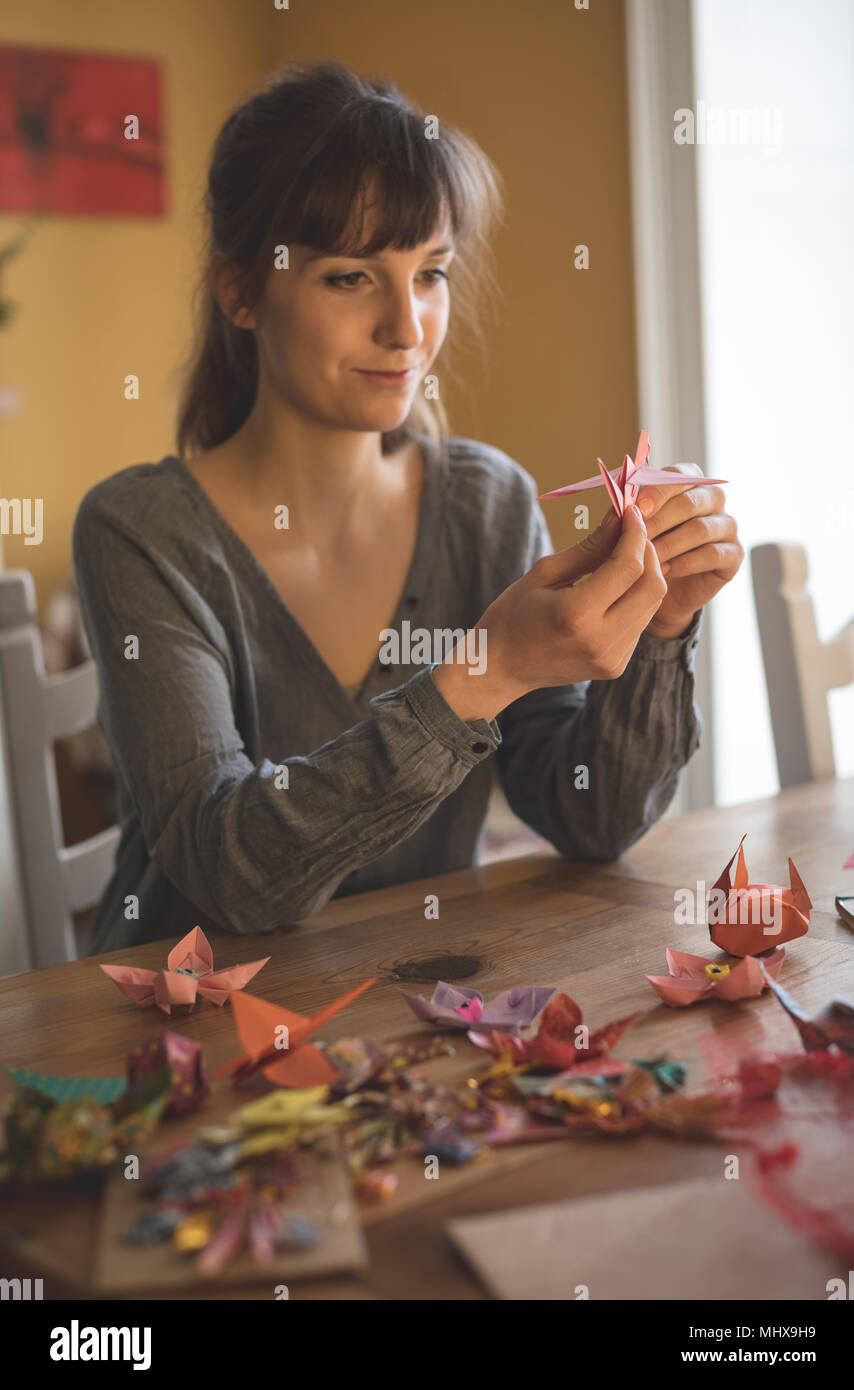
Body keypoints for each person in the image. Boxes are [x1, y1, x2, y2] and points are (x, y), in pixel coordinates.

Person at [73, 60, 743, 955]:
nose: (407, 328)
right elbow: (230, 870)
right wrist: (486, 670)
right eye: (350, 278)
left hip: (410, 1023)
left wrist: (662, 628)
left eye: (430, 273)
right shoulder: (141, 532)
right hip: (175, 1046)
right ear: (239, 290)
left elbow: (591, 817)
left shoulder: (486, 502)